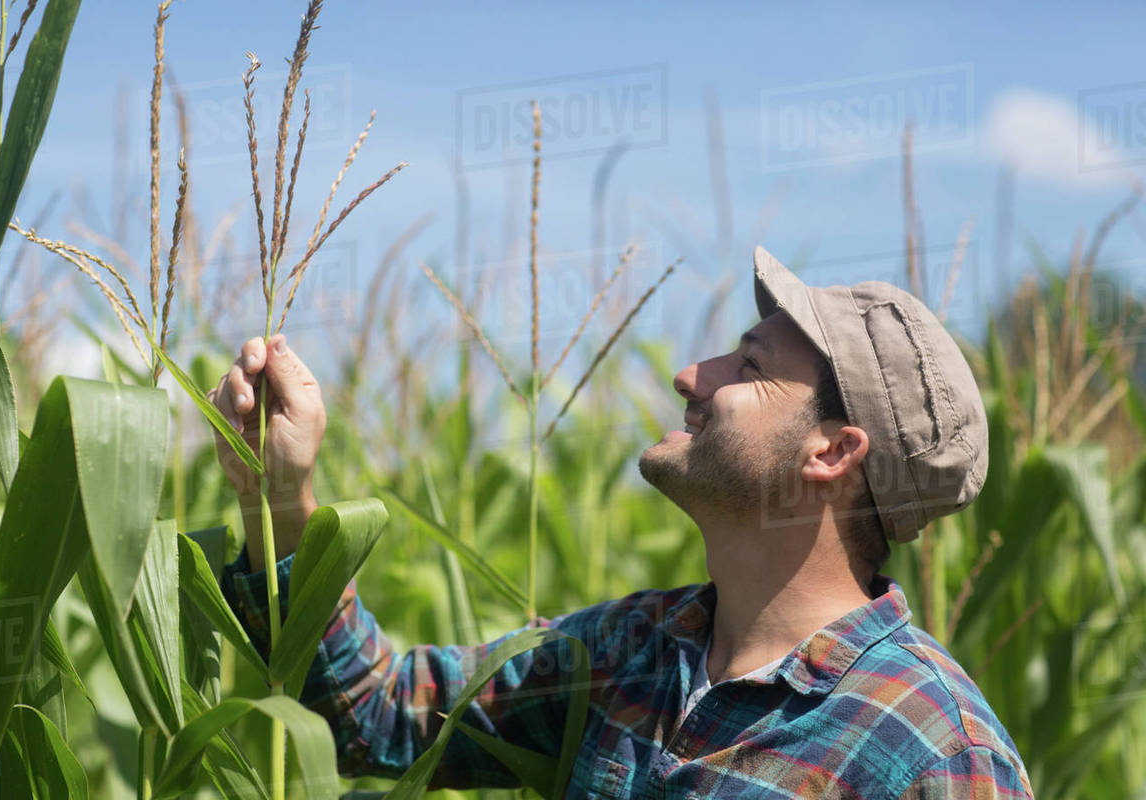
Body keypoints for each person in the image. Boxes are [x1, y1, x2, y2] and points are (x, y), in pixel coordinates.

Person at [211, 246, 1033, 798]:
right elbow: (378, 714)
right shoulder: (627, 652)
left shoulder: (936, 751)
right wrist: (277, 495)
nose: (690, 374)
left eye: (748, 365)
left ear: (832, 451)